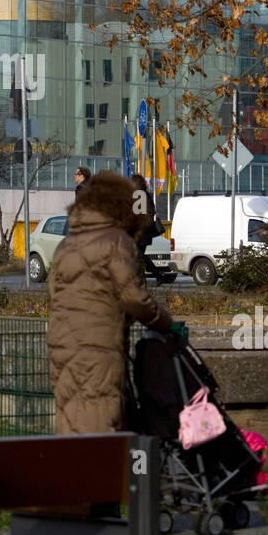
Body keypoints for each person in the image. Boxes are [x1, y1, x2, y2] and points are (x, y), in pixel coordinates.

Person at [47, 170, 174, 438]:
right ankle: (102, 478)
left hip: (61, 346)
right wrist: (163, 321)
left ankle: (76, 477)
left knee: (71, 418)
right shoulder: (116, 243)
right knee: (100, 420)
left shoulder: (66, 246)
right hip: (99, 347)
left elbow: (54, 293)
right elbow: (134, 298)